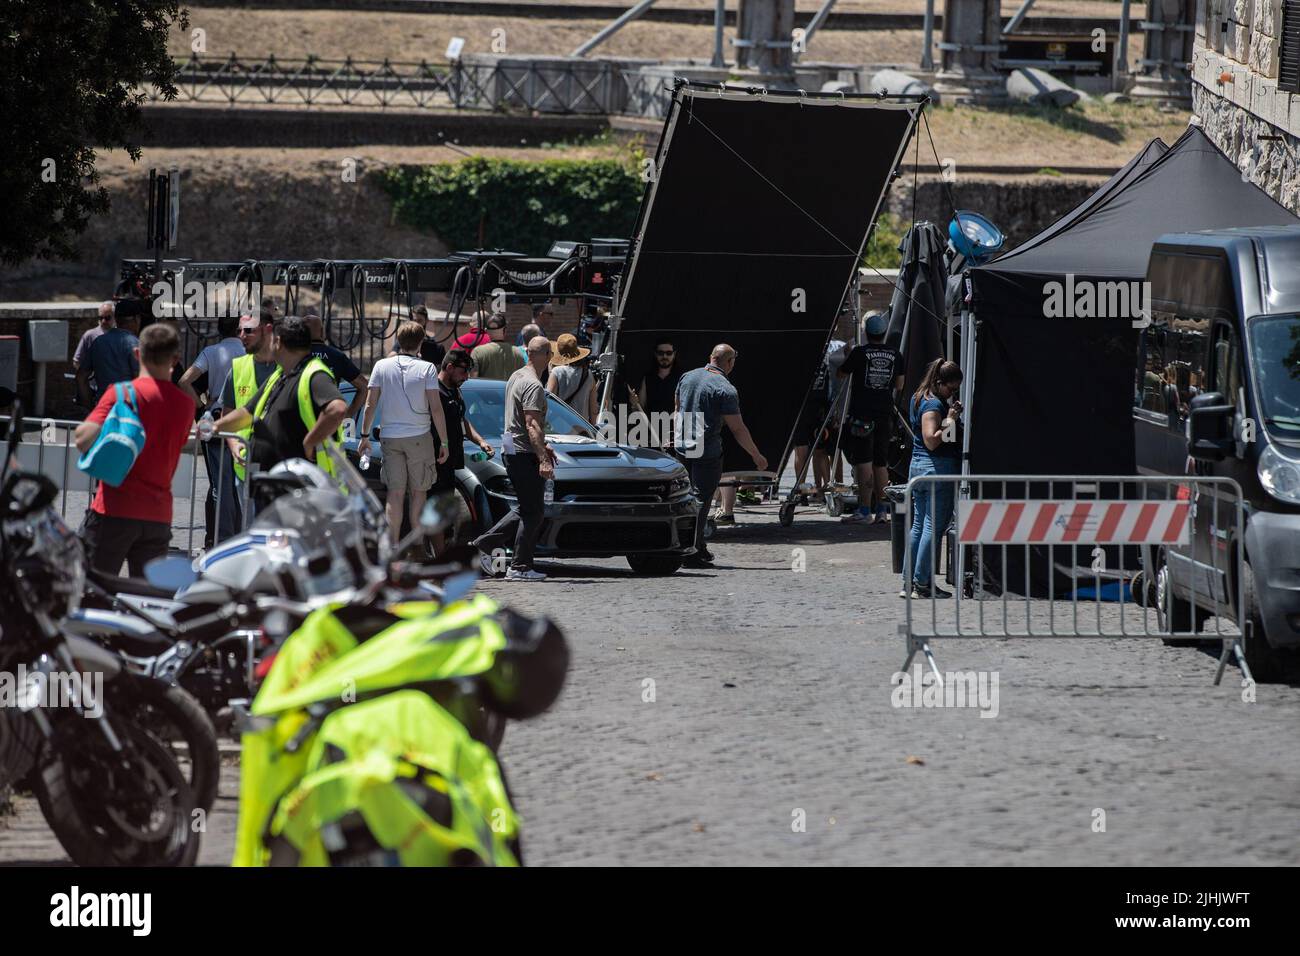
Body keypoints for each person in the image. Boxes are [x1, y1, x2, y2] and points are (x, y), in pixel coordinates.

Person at [73, 323, 195, 577]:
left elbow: (82, 439)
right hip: (158, 516)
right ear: (175, 359)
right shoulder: (186, 405)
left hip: (113, 509)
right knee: (146, 600)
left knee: (93, 592)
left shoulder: (121, 393)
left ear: (137, 354)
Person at [214, 315, 349, 477]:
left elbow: (337, 409)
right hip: (280, 482)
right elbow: (247, 414)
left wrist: (310, 441)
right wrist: (214, 427)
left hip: (310, 486)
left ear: (278, 343)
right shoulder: (279, 376)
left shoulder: (314, 373)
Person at [470, 336, 557, 582]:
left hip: (513, 451)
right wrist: (542, 457)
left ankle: (484, 544)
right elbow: (531, 424)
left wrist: (543, 445)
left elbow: (523, 422)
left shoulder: (516, 376)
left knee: (527, 508)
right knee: (534, 512)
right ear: (547, 355)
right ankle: (519, 567)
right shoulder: (533, 385)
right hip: (523, 453)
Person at [674, 344, 766, 567]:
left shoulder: (687, 376)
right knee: (700, 499)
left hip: (681, 445)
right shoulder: (725, 389)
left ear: (710, 358)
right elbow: (738, 429)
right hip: (706, 448)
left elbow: (677, 408)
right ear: (730, 363)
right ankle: (690, 551)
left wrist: (676, 434)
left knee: (683, 497)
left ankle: (696, 545)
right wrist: (756, 455)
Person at [357, 321, 450, 543]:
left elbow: (370, 405)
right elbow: (436, 408)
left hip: (390, 437)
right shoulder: (427, 368)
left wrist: (364, 436)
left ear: (398, 341)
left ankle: (391, 546)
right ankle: (417, 545)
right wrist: (444, 443)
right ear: (420, 343)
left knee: (395, 494)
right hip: (419, 436)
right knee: (419, 493)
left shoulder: (381, 366)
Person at [179, 315, 245, 546]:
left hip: (216, 416)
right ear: (239, 330)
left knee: (219, 483)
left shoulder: (211, 352)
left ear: (219, 330)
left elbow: (184, 381)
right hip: (242, 419)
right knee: (241, 480)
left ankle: (220, 537)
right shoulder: (248, 354)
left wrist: (201, 404)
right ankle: (237, 533)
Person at [901, 359, 963, 599]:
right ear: (939, 383)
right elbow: (932, 439)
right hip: (935, 469)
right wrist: (951, 419)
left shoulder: (919, 397)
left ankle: (911, 582)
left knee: (919, 526)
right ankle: (922, 583)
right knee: (931, 527)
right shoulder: (932, 405)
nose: (953, 393)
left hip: (919, 468)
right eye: (951, 388)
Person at [838, 311, 904, 523]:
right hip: (885, 414)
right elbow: (900, 385)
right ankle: (882, 510)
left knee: (864, 462)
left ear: (866, 333)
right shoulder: (896, 354)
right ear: (884, 333)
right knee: (881, 462)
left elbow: (841, 374)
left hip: (862, 415)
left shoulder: (859, 352)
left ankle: (865, 511)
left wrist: (849, 355)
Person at [430, 349, 495, 555]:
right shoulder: (434, 391)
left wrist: (480, 441)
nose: (466, 377)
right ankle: (439, 555)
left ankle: (443, 551)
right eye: (463, 371)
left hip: (452, 461)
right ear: (449, 367)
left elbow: (462, 420)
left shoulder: (455, 391)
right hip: (436, 460)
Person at [221, 310, 279, 497]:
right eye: (240, 331)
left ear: (267, 330)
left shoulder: (287, 365)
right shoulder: (238, 367)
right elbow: (227, 414)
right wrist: (232, 445)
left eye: (248, 331)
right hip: (246, 467)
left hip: (280, 466)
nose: (242, 336)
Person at [792, 340, 845, 501]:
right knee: (814, 450)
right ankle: (815, 490)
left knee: (814, 449)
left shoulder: (828, 348)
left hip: (814, 406)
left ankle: (814, 490)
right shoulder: (831, 349)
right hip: (817, 406)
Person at [304, 313, 369, 422]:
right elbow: (364, 387)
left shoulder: (293, 355)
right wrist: (347, 415)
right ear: (322, 331)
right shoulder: (337, 357)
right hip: (328, 423)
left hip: (298, 423)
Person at [84, 310, 140, 405]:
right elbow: (140, 379)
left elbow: (81, 377)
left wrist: (89, 406)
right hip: (127, 407)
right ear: (137, 319)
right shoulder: (135, 343)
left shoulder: (98, 342)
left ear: (116, 319)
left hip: (104, 404)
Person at [73, 302, 116, 407]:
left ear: (115, 317)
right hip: (95, 389)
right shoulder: (90, 335)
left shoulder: (121, 335)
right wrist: (90, 375)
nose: (103, 321)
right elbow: (77, 361)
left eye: (107, 318)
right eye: (100, 318)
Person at [546, 333, 597, 423]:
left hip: (559, 428)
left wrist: (551, 373)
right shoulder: (588, 374)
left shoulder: (556, 372)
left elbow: (549, 404)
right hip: (581, 428)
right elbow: (593, 410)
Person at [471, 312, 525, 382]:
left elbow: (472, 380)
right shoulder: (518, 352)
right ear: (505, 330)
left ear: (486, 331)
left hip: (485, 393)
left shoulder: (477, 352)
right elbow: (522, 380)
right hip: (510, 392)